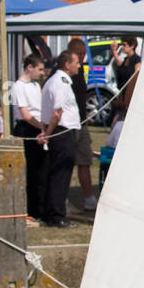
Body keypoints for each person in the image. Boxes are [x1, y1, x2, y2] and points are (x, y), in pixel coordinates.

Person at [37, 50, 82, 227]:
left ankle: (50, 212)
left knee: (54, 173)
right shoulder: (61, 83)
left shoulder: (54, 81)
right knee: (60, 175)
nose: (79, 66)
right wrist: (48, 134)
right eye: (77, 62)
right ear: (67, 64)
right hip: (62, 132)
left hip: (57, 130)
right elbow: (57, 112)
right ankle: (57, 215)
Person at [10, 53, 46, 219]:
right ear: (29, 67)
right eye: (39, 69)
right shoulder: (18, 86)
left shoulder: (35, 85)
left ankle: (40, 205)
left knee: (41, 170)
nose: (41, 73)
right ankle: (32, 209)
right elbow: (25, 114)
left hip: (39, 126)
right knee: (32, 171)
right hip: (27, 128)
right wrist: (42, 126)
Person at [67, 37, 97, 212]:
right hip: (69, 124)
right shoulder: (64, 75)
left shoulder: (79, 73)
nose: (82, 60)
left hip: (82, 123)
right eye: (80, 55)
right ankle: (62, 199)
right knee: (66, 162)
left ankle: (89, 198)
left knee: (84, 159)